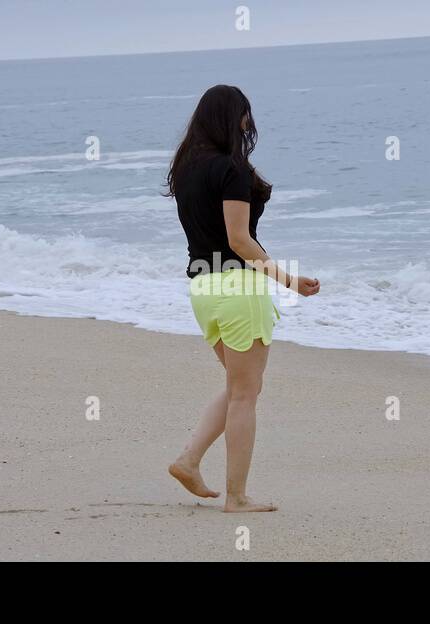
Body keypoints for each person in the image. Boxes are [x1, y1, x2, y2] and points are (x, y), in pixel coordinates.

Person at [164, 84, 320, 513]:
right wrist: (289, 280)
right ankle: (236, 497)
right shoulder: (230, 169)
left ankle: (189, 461)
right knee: (245, 395)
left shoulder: (186, 167)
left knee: (238, 387)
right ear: (235, 119)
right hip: (236, 287)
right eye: (245, 115)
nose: (249, 124)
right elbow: (239, 239)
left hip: (202, 287)